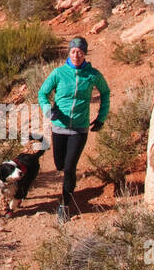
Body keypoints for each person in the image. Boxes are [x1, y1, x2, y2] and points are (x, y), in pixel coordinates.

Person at [37, 37, 110, 222]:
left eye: (80, 52)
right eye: (73, 51)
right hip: (59, 127)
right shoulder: (59, 73)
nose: (76, 55)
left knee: (69, 168)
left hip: (79, 128)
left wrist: (101, 118)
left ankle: (65, 204)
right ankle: (67, 189)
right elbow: (42, 93)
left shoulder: (92, 75)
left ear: (85, 53)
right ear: (69, 53)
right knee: (59, 165)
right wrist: (47, 109)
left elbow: (106, 93)